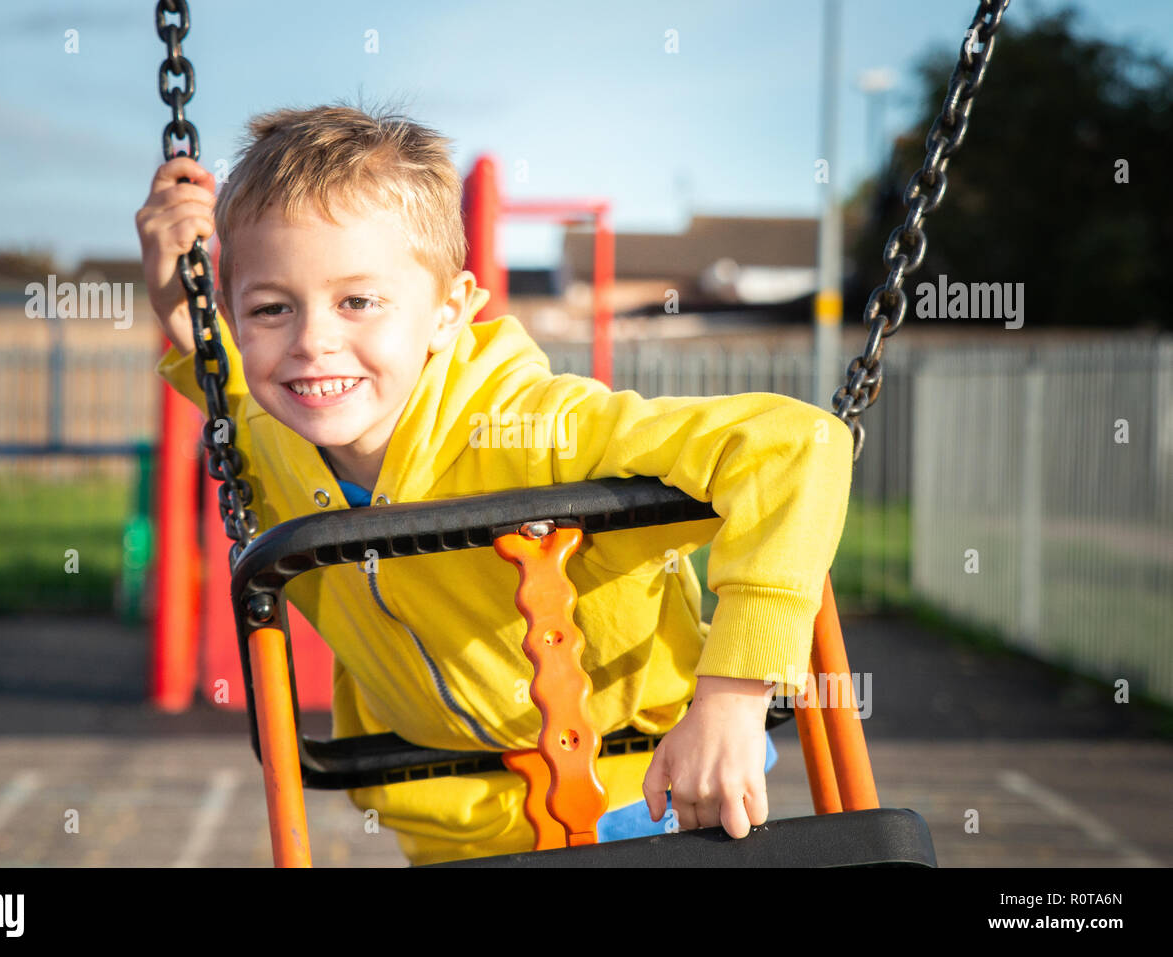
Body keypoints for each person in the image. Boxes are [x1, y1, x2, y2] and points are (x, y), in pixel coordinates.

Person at [136, 101, 853, 866]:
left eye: (358, 301)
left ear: (449, 312)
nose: (313, 341)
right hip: (454, 828)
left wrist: (732, 701)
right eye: (272, 307)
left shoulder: (540, 429)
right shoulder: (276, 441)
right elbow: (229, 390)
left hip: (651, 798)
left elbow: (796, 446)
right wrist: (182, 307)